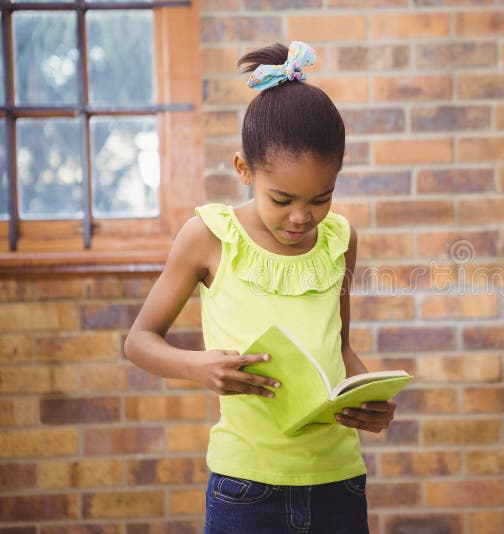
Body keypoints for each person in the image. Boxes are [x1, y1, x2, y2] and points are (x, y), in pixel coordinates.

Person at [124, 41, 396, 534]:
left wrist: (366, 396)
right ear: (243, 170)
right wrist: (198, 365)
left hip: (339, 481)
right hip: (246, 488)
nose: (301, 217)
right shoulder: (209, 236)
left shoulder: (340, 239)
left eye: (321, 198)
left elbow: (338, 344)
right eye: (282, 198)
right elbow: (139, 341)